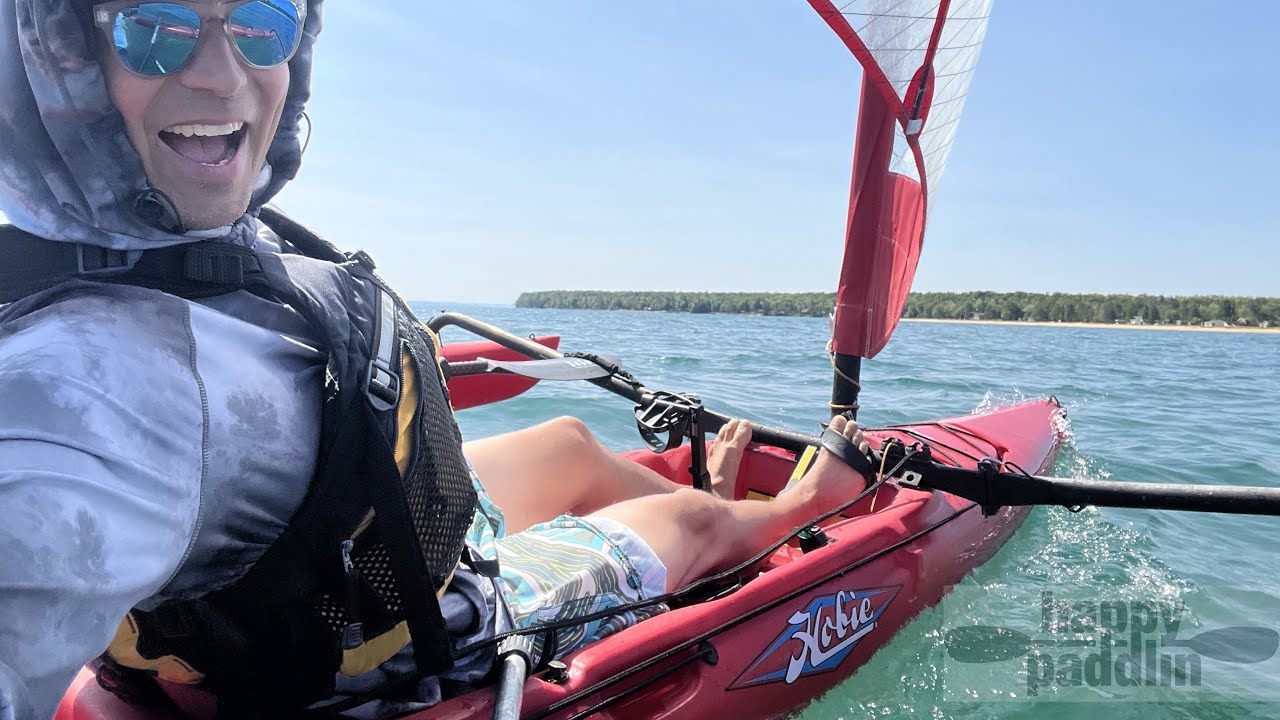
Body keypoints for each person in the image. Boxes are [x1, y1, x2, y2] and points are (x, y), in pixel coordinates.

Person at [0, 2, 872, 718]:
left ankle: (706, 508)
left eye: (260, 22)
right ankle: (787, 510)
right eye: (155, 25)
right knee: (690, 527)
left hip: (355, 549)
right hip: (386, 644)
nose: (223, 73)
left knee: (569, 438)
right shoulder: (82, 396)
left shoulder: (130, 237)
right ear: (61, 53)